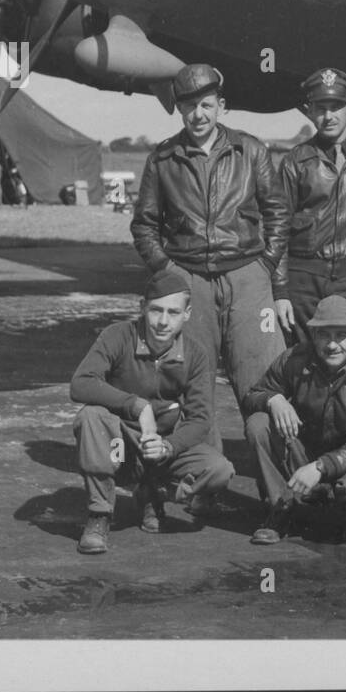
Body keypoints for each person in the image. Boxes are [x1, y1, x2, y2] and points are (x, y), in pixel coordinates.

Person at [131, 64, 290, 445]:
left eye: (206, 105)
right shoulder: (163, 159)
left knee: (264, 381)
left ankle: (280, 489)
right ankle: (203, 485)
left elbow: (278, 212)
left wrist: (265, 263)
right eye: (189, 107)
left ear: (221, 105)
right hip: (189, 280)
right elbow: (144, 224)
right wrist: (168, 270)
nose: (197, 115)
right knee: (193, 386)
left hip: (248, 275)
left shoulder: (249, 150)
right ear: (179, 110)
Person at [70, 267, 235, 555]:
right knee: (91, 417)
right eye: (155, 310)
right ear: (142, 307)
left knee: (220, 469)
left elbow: (199, 418)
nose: (162, 321)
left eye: (173, 312)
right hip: (121, 446)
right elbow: (81, 383)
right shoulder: (118, 336)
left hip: (161, 446)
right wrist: (137, 406)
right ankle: (99, 514)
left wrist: (169, 446)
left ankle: (156, 494)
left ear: (187, 314)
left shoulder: (195, 354)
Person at [241, 295, 346, 544]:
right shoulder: (293, 359)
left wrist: (321, 467)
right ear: (313, 335)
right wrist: (273, 399)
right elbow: (251, 397)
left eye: (341, 335)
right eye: (324, 335)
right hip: (304, 453)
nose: (332, 345)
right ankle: (282, 508)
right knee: (258, 424)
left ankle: (329, 512)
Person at [272, 68, 346, 340]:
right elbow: (277, 229)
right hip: (303, 278)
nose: (328, 116)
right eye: (321, 108)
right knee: (302, 357)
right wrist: (280, 290)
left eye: (336, 107)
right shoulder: (295, 161)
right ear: (310, 111)